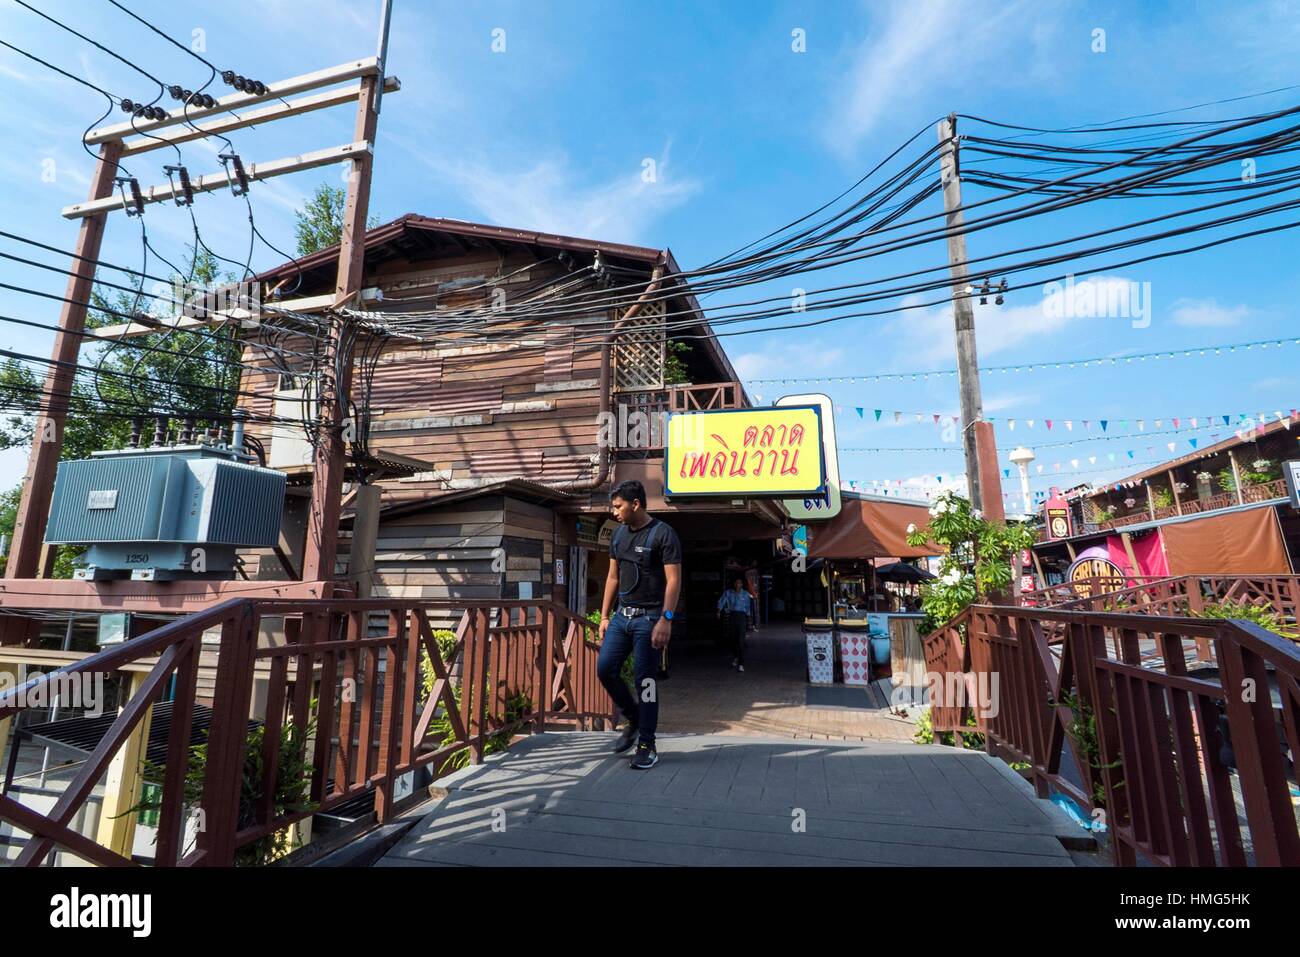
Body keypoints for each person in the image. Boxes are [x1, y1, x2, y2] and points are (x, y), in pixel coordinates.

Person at [597, 479, 681, 770]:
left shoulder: (663, 534)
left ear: (635, 504)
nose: (614, 512)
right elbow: (613, 577)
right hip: (622, 617)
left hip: (650, 618)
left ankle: (647, 743)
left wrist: (666, 619)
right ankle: (633, 717)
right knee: (605, 668)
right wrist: (604, 616)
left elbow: (674, 580)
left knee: (645, 681)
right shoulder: (618, 534)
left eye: (618, 506)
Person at [717, 577, 753, 671]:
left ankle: (741, 664)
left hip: (742, 617)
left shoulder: (745, 594)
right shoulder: (728, 593)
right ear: (734, 584)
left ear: (742, 584)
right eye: (736, 583)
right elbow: (722, 601)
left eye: (740, 583)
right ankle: (736, 657)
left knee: (741, 641)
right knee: (733, 639)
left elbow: (747, 607)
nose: (738, 585)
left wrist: (749, 619)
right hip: (732, 616)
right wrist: (718, 611)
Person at [744, 559, 761, 632]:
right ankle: (751, 625)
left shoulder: (755, 572)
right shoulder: (749, 572)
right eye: (754, 562)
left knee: (753, 609)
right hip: (751, 593)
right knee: (751, 609)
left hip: (754, 593)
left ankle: (754, 625)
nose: (755, 564)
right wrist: (754, 593)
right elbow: (749, 584)